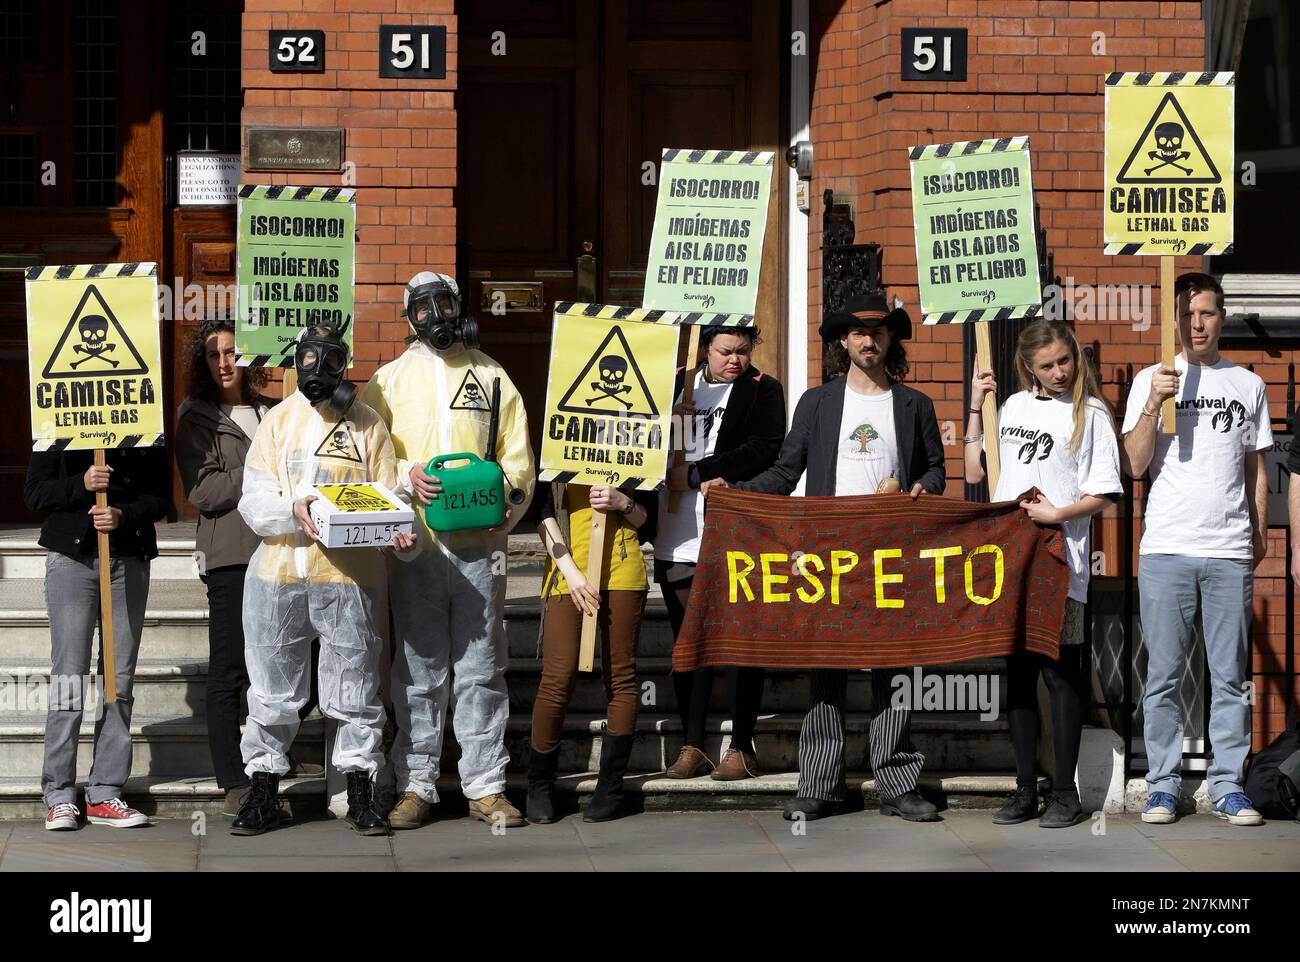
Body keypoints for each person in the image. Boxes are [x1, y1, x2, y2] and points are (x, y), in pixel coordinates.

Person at [704, 292, 946, 822]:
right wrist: (736, 490)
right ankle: (819, 782)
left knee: (894, 671)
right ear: (843, 340)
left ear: (889, 339)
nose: (869, 340)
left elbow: (936, 472)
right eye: (859, 332)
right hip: (828, 553)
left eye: (878, 331)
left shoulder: (915, 405)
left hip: (890, 554)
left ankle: (899, 783)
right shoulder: (817, 402)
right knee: (825, 668)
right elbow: (787, 473)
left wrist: (915, 487)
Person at [360, 272, 535, 831]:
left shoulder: (491, 376)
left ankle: (486, 786)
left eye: (444, 304)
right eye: (424, 307)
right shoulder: (386, 383)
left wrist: (511, 502)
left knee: (482, 665)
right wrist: (403, 482)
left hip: (481, 546)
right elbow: (368, 460)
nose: (436, 315)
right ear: (409, 317)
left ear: (458, 308)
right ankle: (417, 783)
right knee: (417, 666)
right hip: (416, 544)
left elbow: (516, 454)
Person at [232, 323, 416, 837]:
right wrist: (292, 511)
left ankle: (360, 794)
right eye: (307, 360)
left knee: (357, 686)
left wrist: (398, 535)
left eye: (328, 360)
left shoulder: (368, 426)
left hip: (350, 579)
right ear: (296, 362)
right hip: (279, 574)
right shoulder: (278, 423)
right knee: (271, 688)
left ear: (343, 363)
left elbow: (389, 501)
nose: (316, 371)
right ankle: (263, 792)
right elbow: (253, 497)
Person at [1122, 272, 1270, 827]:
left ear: (1221, 316)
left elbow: (1255, 466)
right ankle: (1162, 786)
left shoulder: (1247, 385)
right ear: (1175, 319)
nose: (1197, 323)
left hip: (1228, 548)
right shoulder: (1152, 380)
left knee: (1230, 676)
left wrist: (1256, 531)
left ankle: (1227, 784)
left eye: (1206, 313)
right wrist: (1150, 406)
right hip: (1166, 547)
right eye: (1187, 314)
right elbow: (1134, 465)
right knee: (1162, 676)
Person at [965, 320, 1122, 828]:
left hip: (1062, 562)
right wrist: (974, 406)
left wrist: (1058, 514)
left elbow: (1106, 490)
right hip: (1009, 559)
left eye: (1065, 360)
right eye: (1047, 365)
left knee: (1062, 677)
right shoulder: (1010, 408)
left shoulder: (1091, 413)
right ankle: (1024, 789)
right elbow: (974, 473)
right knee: (1019, 678)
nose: (1059, 372)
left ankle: (1064, 793)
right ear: (1027, 368)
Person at [656, 325, 785, 780]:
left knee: (739, 639)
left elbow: (766, 448)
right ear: (705, 349)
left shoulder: (762, 390)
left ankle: (742, 745)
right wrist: (668, 421)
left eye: (743, 351)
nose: (735, 360)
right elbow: (637, 445)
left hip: (734, 533)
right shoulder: (676, 386)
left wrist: (697, 474)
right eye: (725, 351)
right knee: (688, 643)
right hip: (677, 535)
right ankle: (692, 744)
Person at [26, 442, 171, 830]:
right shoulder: (54, 427)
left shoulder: (145, 428)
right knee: (69, 678)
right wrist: (82, 482)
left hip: (127, 561)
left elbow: (160, 498)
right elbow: (35, 492)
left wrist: (124, 514)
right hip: (72, 562)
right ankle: (59, 794)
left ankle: (105, 791)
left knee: (118, 681)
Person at [175, 319, 275, 818]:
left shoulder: (273, 411)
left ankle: (269, 760)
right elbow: (205, 492)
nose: (225, 363)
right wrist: (261, 462)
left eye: (233, 353)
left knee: (278, 667)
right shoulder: (197, 417)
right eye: (214, 355)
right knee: (230, 668)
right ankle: (232, 778)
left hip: (280, 552)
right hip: (231, 557)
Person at [525, 482, 657, 823]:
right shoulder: (560, 433)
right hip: (568, 571)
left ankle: (610, 788)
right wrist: (570, 571)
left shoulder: (636, 435)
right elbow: (541, 512)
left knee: (622, 676)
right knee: (558, 674)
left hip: (623, 571)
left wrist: (623, 502)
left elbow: (649, 522)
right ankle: (539, 785)